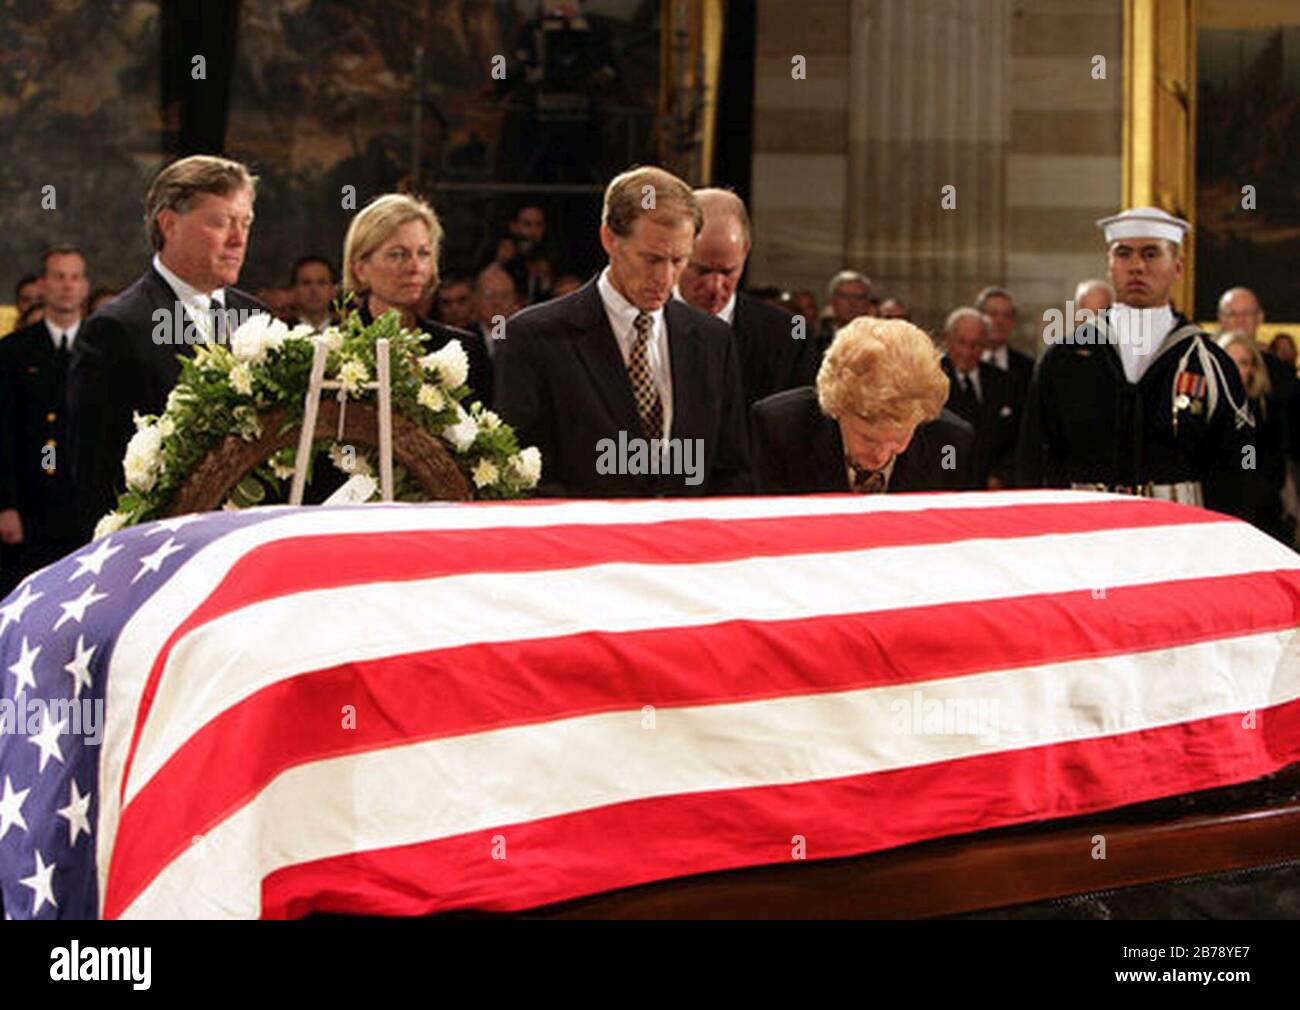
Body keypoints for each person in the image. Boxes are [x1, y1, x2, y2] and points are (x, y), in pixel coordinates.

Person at [494, 165, 751, 497]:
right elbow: (522, 474)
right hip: (586, 542)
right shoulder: (535, 337)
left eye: (679, 260)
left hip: (688, 543)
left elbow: (732, 471)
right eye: (652, 259)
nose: (665, 278)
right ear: (609, 239)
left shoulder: (713, 339)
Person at [67, 155, 267, 541]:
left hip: (247, 546)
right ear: (170, 224)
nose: (238, 239)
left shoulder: (255, 317)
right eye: (222, 222)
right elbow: (92, 478)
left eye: (245, 223)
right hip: (157, 550)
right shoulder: (117, 329)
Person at [1017, 207, 1253, 515]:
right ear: (1109, 265)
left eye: (1151, 254)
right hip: (1085, 531)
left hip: (1182, 535)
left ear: (1178, 267)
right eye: (1124, 254)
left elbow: (1235, 472)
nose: (1137, 266)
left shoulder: (1209, 363)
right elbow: (1034, 457)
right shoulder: (1065, 358)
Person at [750, 317, 974, 494]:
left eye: (897, 441)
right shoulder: (781, 428)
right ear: (836, 409)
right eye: (868, 438)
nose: (880, 456)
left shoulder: (949, 443)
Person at [342, 193, 491, 404]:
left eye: (423, 253)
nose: (415, 267)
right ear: (360, 269)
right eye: (397, 255)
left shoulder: (464, 350)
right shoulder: (334, 352)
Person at [0, 246, 90, 594]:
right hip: (30, 500)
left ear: (84, 286)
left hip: (84, 500)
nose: (67, 285)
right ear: (43, 285)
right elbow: (3, 432)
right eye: (59, 277)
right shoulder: (13, 351)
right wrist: (5, 503)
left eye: (75, 277)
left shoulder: (102, 346)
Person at [676, 188, 818, 407]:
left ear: (745, 252)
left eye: (727, 272)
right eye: (701, 271)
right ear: (676, 252)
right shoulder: (640, 322)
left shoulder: (789, 335)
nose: (715, 287)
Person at [1217, 332, 1287, 541]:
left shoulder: (1264, 411)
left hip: (1254, 509)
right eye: (1228, 361)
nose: (1235, 369)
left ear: (1253, 370)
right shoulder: (1206, 409)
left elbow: (1252, 461)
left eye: (1244, 362)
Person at [939, 307, 1016, 487]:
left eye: (976, 345)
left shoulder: (1003, 382)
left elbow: (1014, 438)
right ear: (948, 340)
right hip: (946, 482)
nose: (968, 352)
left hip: (991, 486)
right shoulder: (932, 378)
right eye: (962, 343)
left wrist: (1000, 474)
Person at [975, 285, 1033, 422]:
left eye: (1007, 315)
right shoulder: (965, 362)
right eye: (993, 314)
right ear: (979, 318)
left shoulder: (1028, 369)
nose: (1000, 321)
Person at [816, 270, 874, 350]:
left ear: (868, 303)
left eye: (859, 297)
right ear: (832, 301)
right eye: (845, 296)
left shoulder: (878, 340)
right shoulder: (816, 339)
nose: (852, 303)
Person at [290, 255, 338, 332]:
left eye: (321, 282)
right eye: (306, 283)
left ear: (333, 291)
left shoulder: (350, 332)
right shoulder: (280, 333)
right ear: (294, 291)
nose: (314, 290)